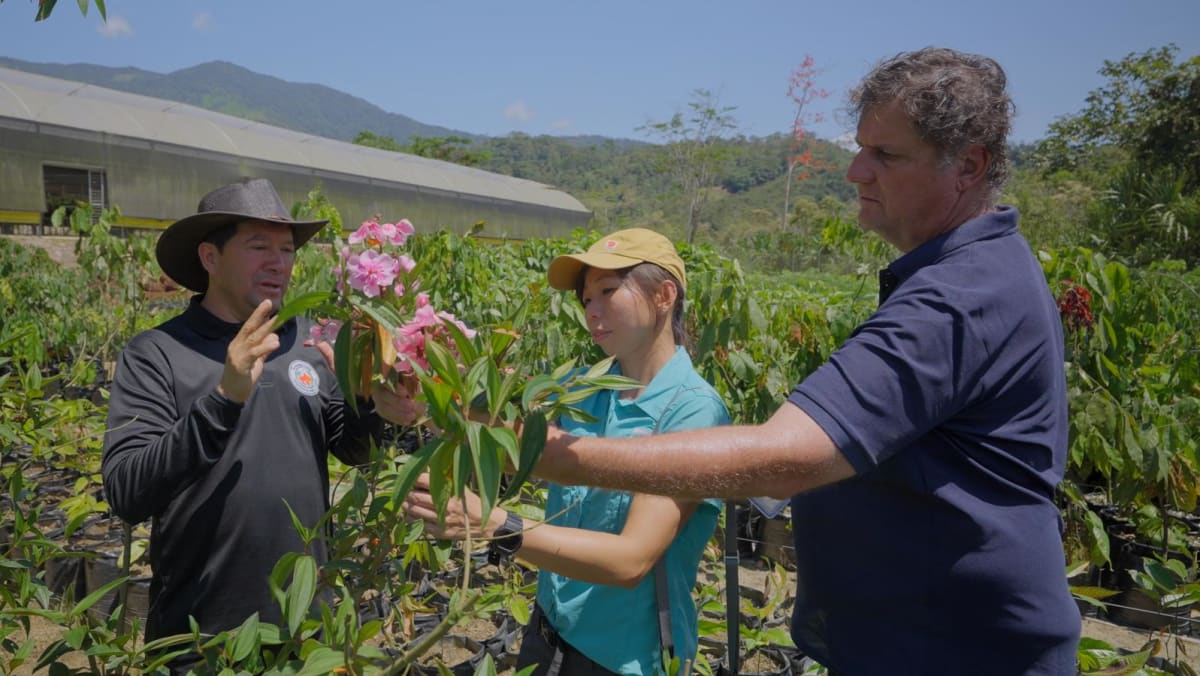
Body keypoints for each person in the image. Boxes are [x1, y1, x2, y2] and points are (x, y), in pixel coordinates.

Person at [530, 48, 1080, 675]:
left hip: (961, 652)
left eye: (886, 155)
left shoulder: (962, 294)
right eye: (860, 147)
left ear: (969, 166)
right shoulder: (961, 276)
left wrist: (553, 456)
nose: (855, 171)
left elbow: (787, 456)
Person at [101, 178, 416, 656]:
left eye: (287, 249)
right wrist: (225, 399)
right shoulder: (159, 353)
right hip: (199, 635)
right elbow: (127, 491)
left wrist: (369, 406)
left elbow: (350, 449)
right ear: (210, 258)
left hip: (303, 626)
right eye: (258, 246)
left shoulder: (309, 342)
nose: (278, 262)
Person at [404, 228, 731, 675]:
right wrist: (425, 403)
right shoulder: (581, 386)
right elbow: (516, 449)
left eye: (608, 291)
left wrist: (493, 522)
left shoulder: (693, 412)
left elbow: (631, 560)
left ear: (664, 295)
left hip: (623, 657)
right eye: (585, 300)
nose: (591, 312)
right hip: (550, 629)